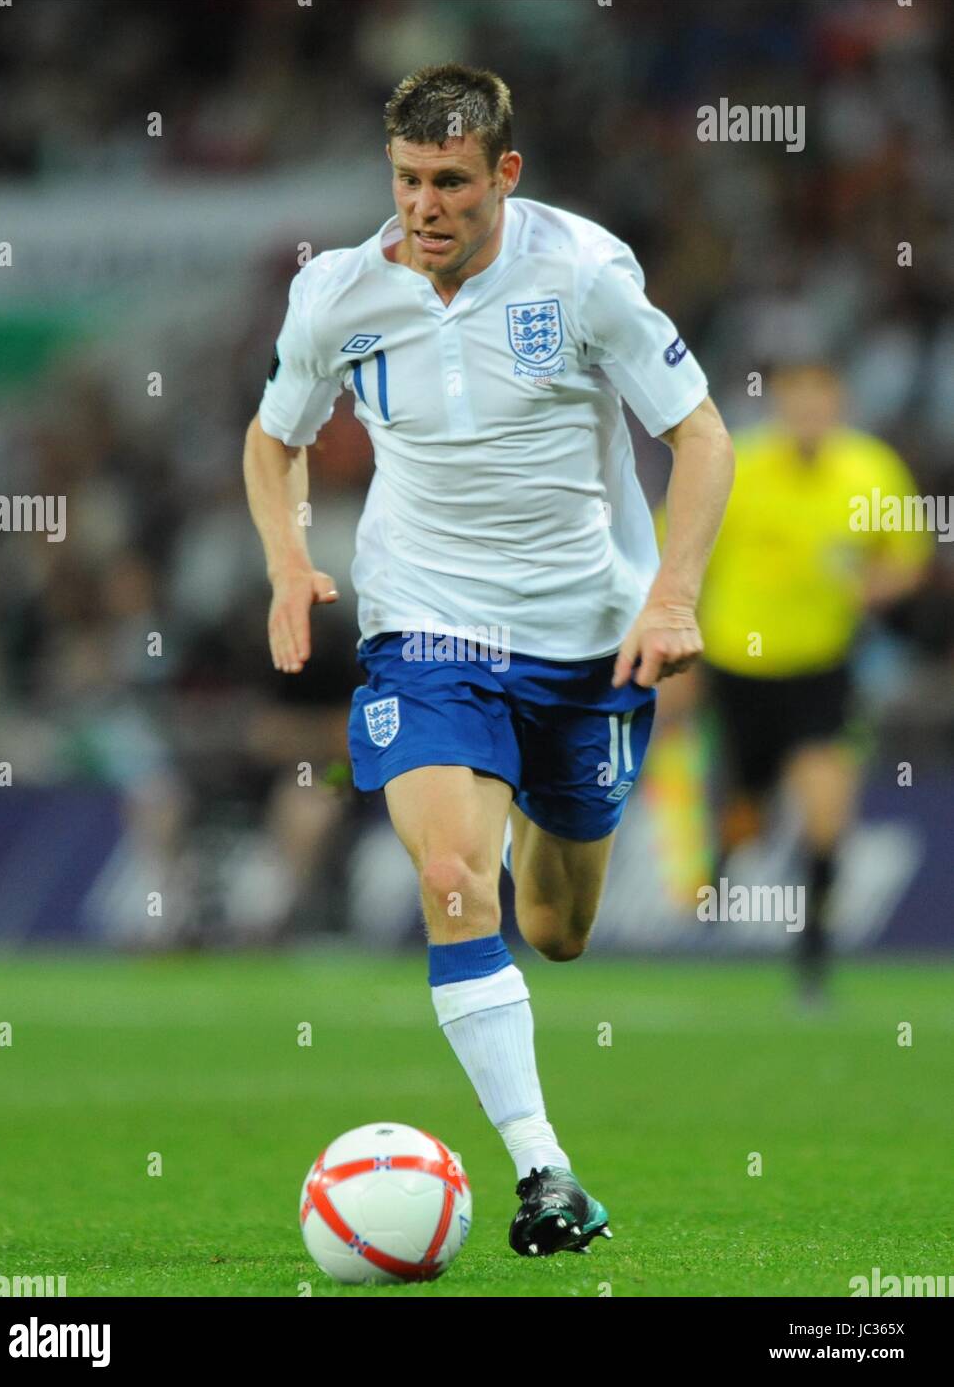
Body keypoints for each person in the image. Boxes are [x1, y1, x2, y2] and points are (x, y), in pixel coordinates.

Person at [244, 64, 734, 1259]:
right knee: (455, 879)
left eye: (451, 182)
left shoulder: (583, 274)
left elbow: (700, 434)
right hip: (426, 631)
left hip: (586, 643)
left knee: (557, 926)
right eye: (408, 180)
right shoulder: (336, 294)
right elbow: (274, 440)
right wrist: (286, 561)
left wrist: (671, 598)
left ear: (503, 174)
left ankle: (527, 793)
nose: (426, 205)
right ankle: (544, 1171)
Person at [668, 359, 931, 1005]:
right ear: (778, 404)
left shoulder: (870, 472)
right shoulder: (740, 468)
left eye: (821, 399)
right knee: (749, 813)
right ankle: (724, 858)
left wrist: (873, 587)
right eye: (796, 399)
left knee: (824, 812)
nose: (809, 412)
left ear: (838, 403)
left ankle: (811, 962)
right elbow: (680, 550)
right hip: (738, 667)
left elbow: (907, 559)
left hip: (821, 668)